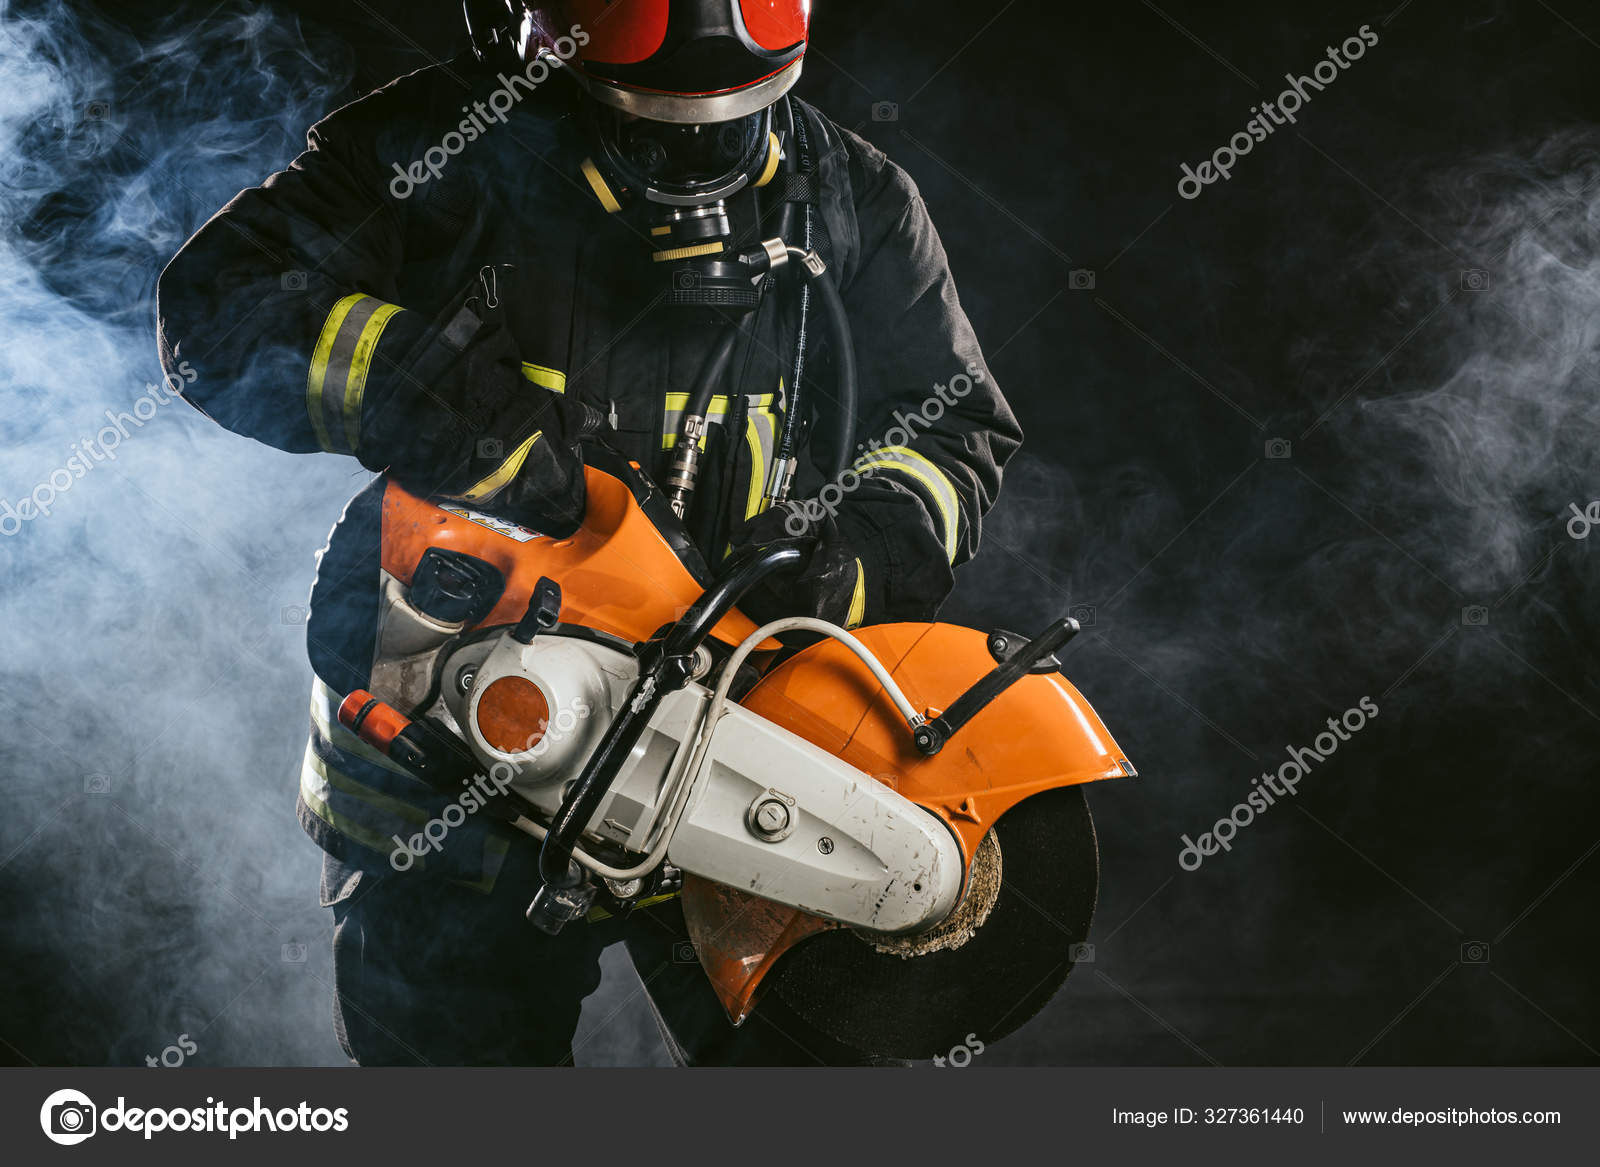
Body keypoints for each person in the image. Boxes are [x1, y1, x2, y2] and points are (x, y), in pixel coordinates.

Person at [156, 0, 1021, 1066]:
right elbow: (217, 306)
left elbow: (956, 424)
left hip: (748, 773)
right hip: (455, 784)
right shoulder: (443, 147)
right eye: (647, 126)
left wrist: (850, 570)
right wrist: (451, 411)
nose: (689, 156)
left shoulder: (853, 198)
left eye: (723, 127)